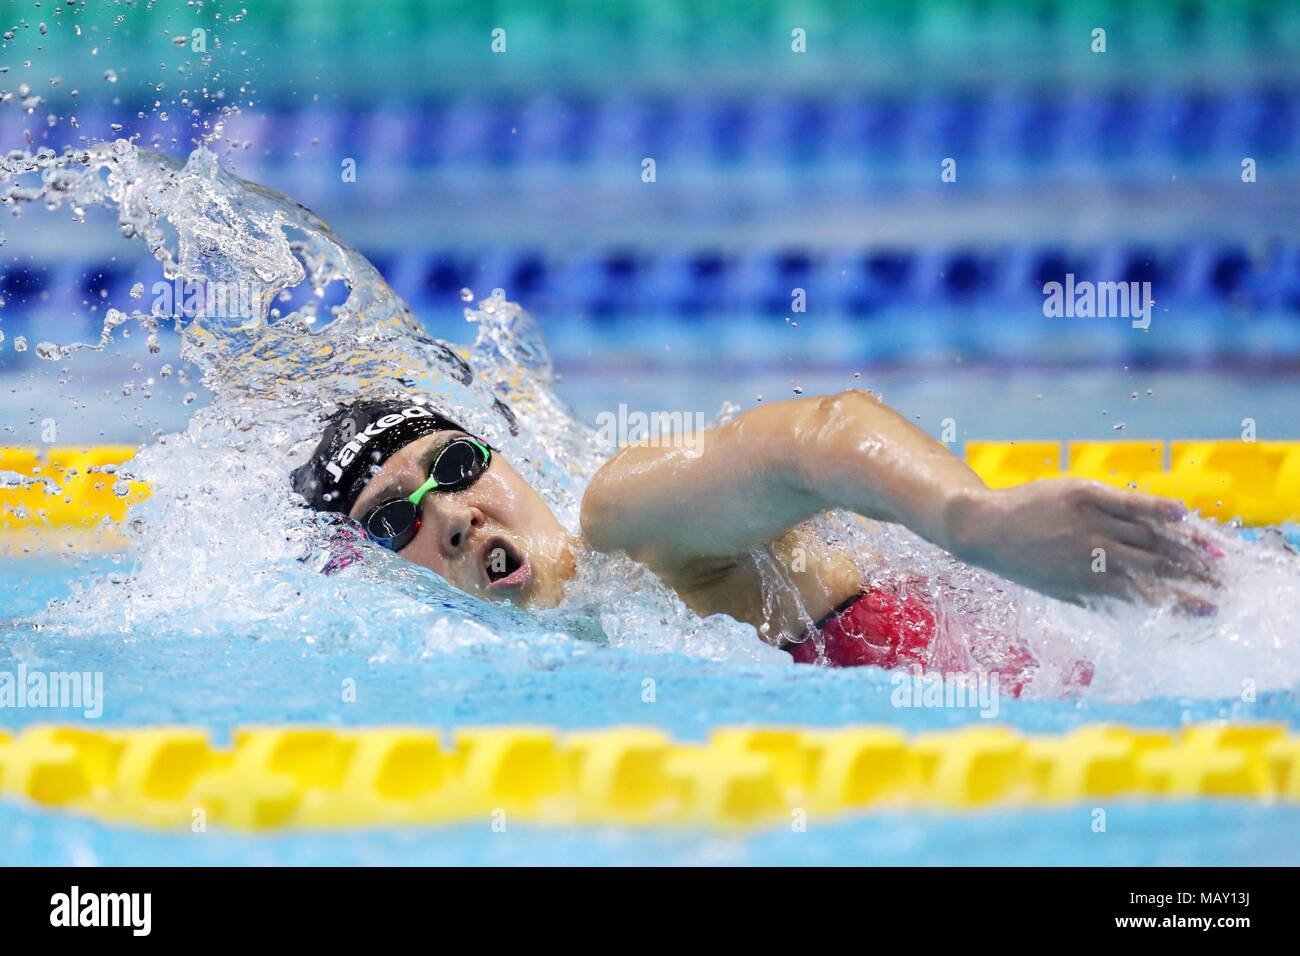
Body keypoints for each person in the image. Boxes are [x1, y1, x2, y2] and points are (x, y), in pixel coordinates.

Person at [291, 391, 1217, 693]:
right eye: (392, 519)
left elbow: (812, 436)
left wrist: (978, 524)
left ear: (507, 459)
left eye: (453, 465)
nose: (450, 515)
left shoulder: (629, 529)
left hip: (1162, 643)